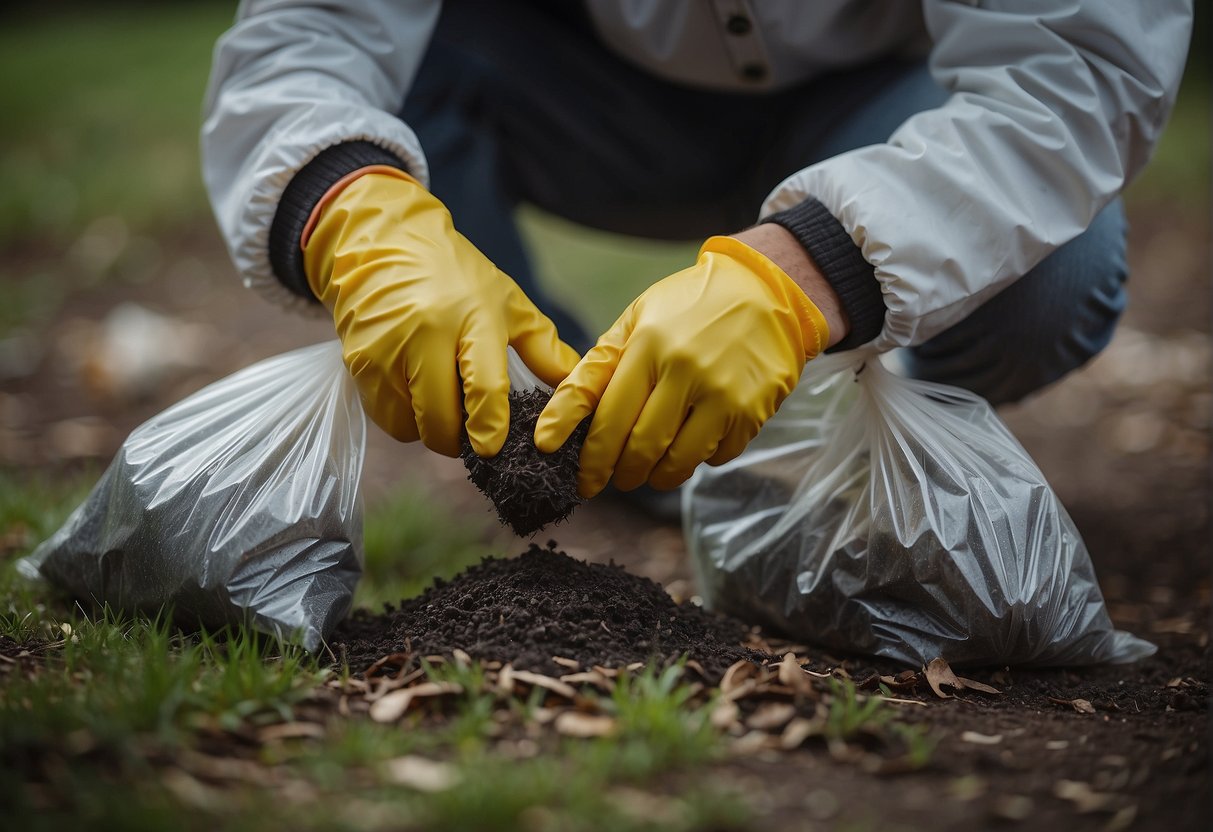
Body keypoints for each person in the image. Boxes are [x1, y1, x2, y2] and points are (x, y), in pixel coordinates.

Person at [201, 1, 1192, 510]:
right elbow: (309, 31)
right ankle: (564, 436)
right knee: (385, 102)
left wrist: (805, 277)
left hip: (884, 112)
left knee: (1054, 272)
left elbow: (1074, 69)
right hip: (575, 96)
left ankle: (828, 456)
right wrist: (355, 212)